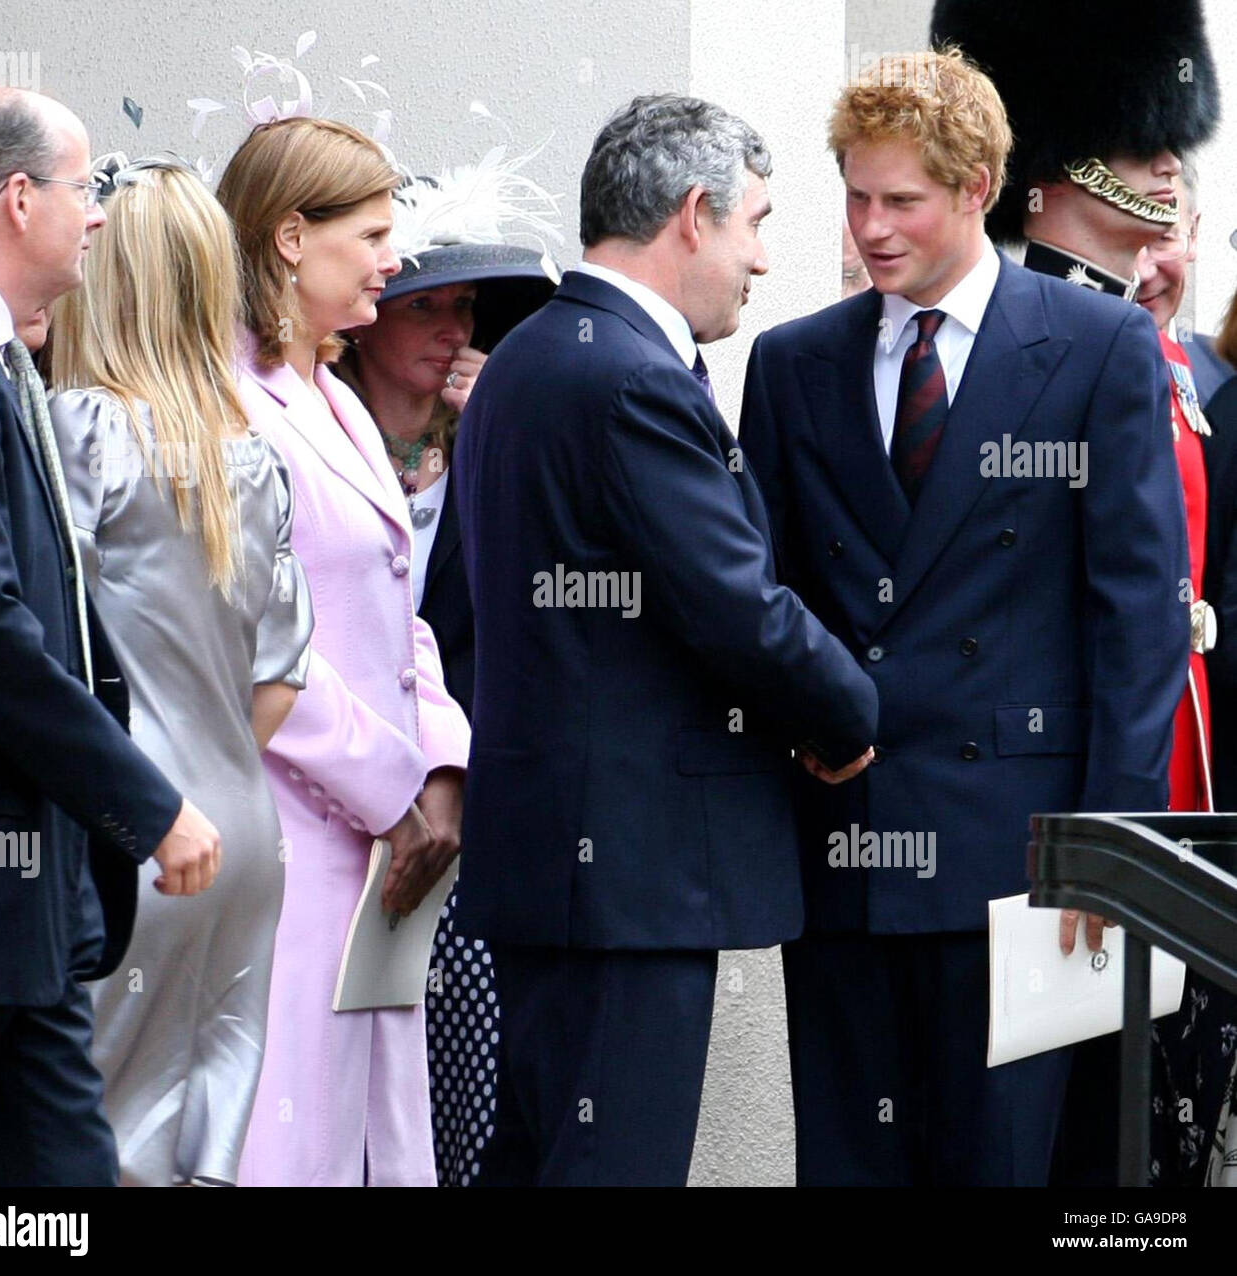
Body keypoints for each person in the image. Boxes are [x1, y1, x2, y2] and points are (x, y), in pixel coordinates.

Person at [738, 48, 1188, 1186]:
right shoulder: (794, 364)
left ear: (979, 188)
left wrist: (1112, 850)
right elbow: (766, 596)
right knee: (847, 1164)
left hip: (1023, 858)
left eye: (902, 200)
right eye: (854, 195)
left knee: (1002, 1169)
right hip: (845, 844)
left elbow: (1137, 621)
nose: (870, 227)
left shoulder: (1098, 347)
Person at [453, 93, 878, 1187]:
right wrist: (847, 711)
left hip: (557, 860)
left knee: (545, 1155)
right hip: (629, 878)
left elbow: (456, 611)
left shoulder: (522, 362)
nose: (764, 260)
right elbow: (737, 607)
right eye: (756, 222)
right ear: (695, 214)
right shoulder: (631, 378)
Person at [933, 0, 1221, 1187]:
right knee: (1072, 1138)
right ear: (1047, 174)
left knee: (1157, 1130)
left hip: (1175, 768)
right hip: (1085, 781)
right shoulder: (1045, 339)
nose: (1169, 161)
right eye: (1136, 136)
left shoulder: (1145, 344)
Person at [0, 87, 220, 1187]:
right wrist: (143, 802)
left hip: (20, 904)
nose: (99, 214)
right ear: (17, 199)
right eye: (82, 188)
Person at [47, 158, 313, 1186]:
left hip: (132, 826)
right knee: (211, 1124)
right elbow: (283, 675)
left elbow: (38, 636)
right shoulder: (254, 450)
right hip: (243, 828)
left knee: (100, 1127)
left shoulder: (82, 430)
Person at [218, 116, 472, 1188]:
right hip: (296, 836)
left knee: (379, 1140)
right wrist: (392, 786)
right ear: (287, 239)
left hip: (383, 849)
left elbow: (394, 609)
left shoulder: (335, 398)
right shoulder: (231, 403)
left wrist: (445, 766)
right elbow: (253, 641)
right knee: (293, 1141)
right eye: (370, 234)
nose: (393, 260)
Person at [333, 169, 558, 1187]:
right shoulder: (315, 444)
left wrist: (491, 446)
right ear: (367, 317)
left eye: (463, 308)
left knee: (461, 1112)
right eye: (422, 304)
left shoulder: (492, 450)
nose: (448, 326)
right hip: (337, 809)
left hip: (473, 828)